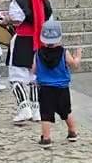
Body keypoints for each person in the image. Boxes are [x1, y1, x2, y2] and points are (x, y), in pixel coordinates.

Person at [7, 0, 53, 124]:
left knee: (16, 76)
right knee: (35, 76)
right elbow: (50, 22)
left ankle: (24, 107)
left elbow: (16, 19)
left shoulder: (17, 1)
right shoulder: (45, 0)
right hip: (40, 41)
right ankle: (36, 109)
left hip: (22, 41)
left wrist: (6, 20)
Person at [35, 20, 82, 148]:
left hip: (45, 88)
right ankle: (72, 131)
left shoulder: (38, 53)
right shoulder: (64, 52)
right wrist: (78, 57)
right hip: (62, 88)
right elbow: (74, 64)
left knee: (45, 114)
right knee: (66, 111)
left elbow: (33, 69)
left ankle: (46, 138)